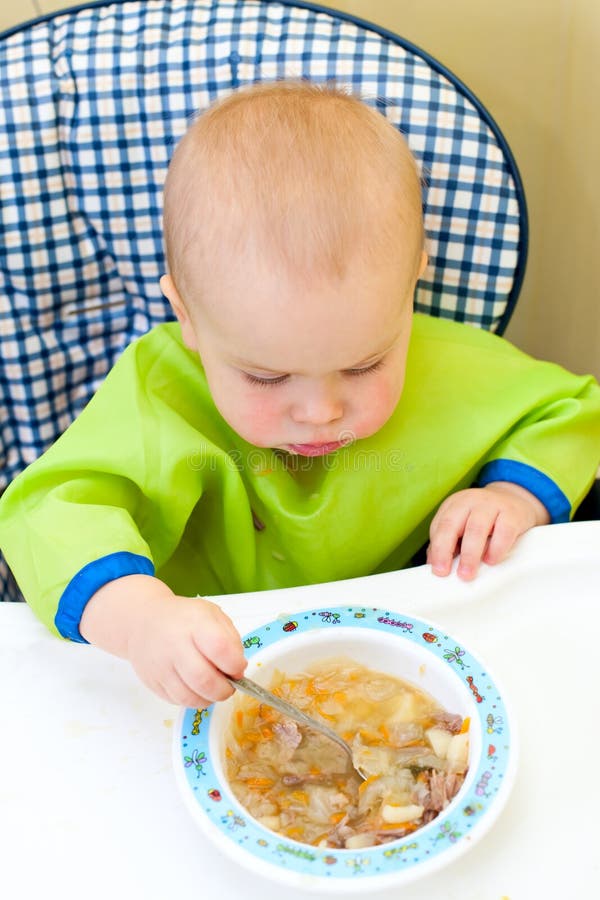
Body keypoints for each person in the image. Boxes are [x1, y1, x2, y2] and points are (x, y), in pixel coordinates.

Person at [1, 82, 598, 711]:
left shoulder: (447, 362)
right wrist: (137, 617)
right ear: (188, 318)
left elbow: (568, 409)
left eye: (365, 364)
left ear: (410, 288)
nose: (321, 412)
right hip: (210, 667)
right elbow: (45, 511)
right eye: (266, 377)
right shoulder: (160, 388)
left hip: (401, 636)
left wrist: (512, 496)